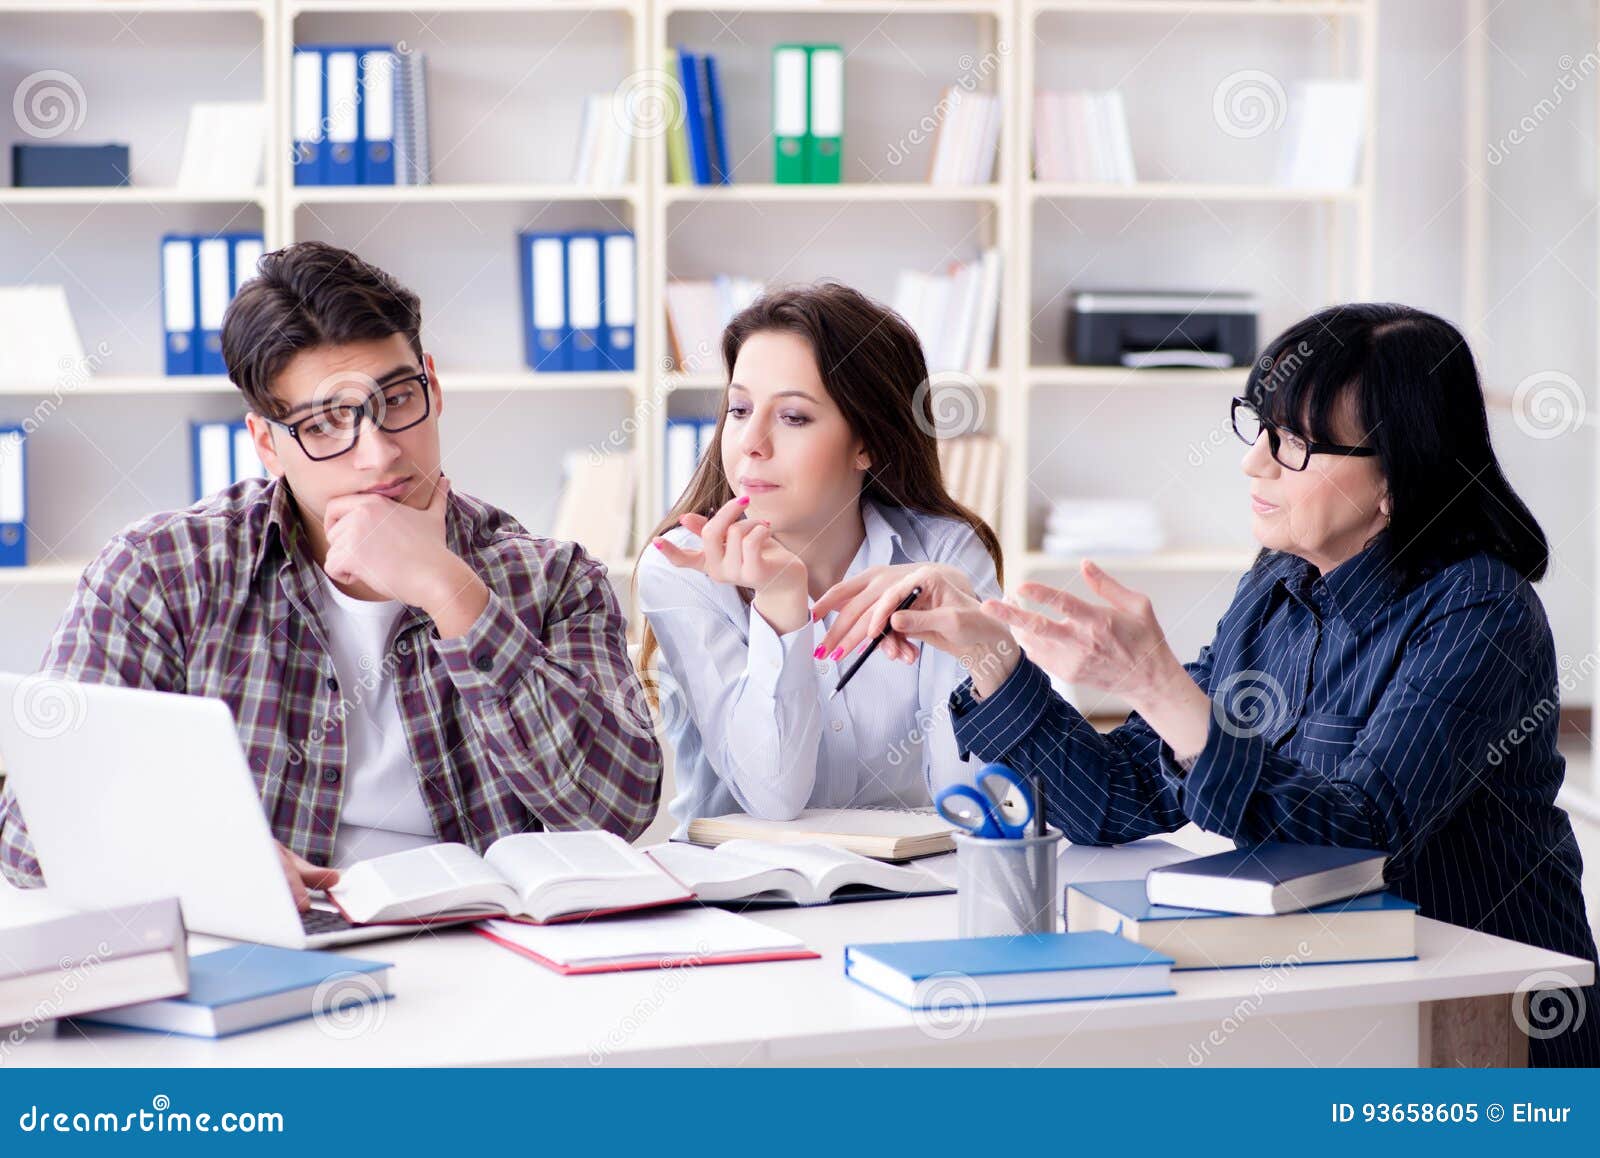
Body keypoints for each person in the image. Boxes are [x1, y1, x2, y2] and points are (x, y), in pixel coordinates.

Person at [819, 303, 1600, 1066]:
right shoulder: (1276, 586)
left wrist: (1162, 689)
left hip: (1488, 1031)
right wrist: (992, 660)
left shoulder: (1480, 609)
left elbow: (1363, 840)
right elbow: (1117, 798)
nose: (1253, 462)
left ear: (1397, 476)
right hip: (1332, 1003)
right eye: (1258, 428)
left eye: (1293, 443)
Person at [0, 241, 661, 905]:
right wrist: (201, 859)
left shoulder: (554, 580)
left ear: (432, 386)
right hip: (274, 950)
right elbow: (30, 840)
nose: (379, 453)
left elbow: (615, 813)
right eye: (326, 423)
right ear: (267, 444)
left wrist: (451, 593)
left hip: (495, 950)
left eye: (397, 399)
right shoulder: (162, 575)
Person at [637, 282, 1003, 832]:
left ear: (868, 443)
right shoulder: (681, 570)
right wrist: (781, 608)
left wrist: (972, 645)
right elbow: (773, 797)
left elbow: (970, 795)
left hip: (917, 886)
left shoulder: (943, 553)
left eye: (793, 418)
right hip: (742, 894)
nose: (750, 443)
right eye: (739, 410)